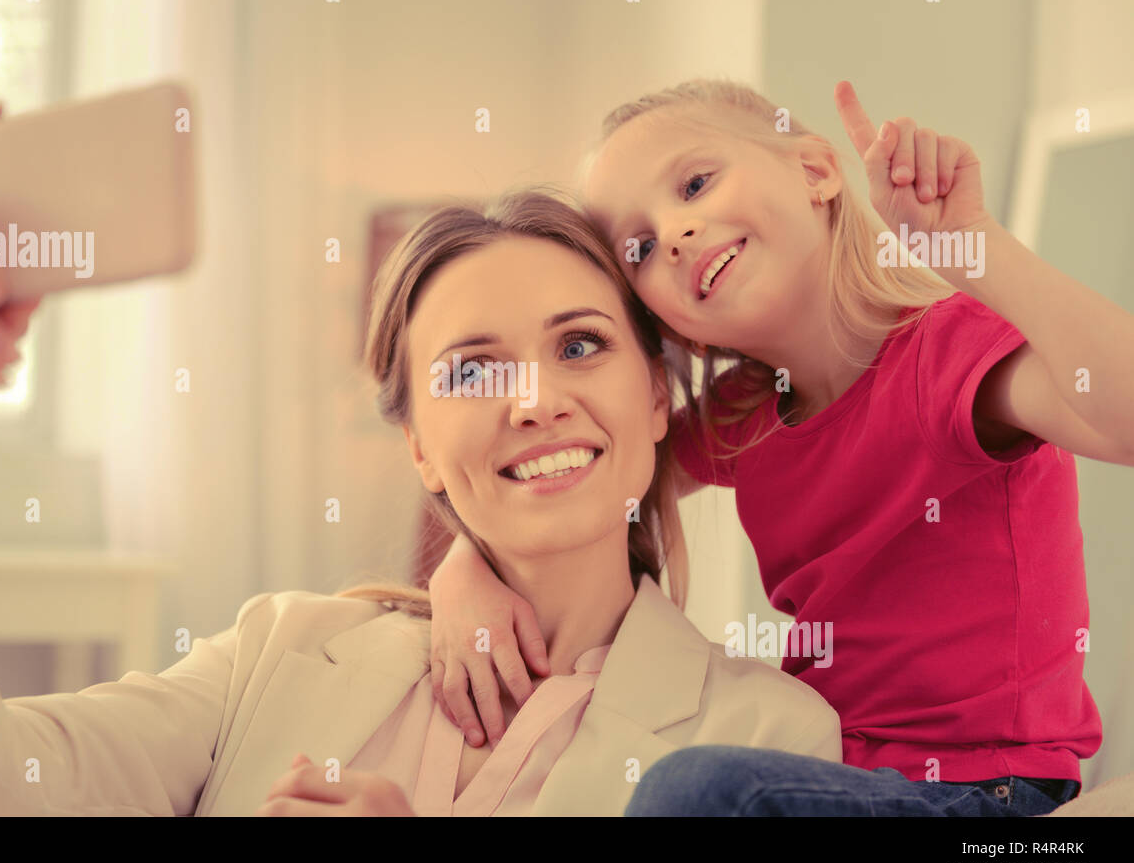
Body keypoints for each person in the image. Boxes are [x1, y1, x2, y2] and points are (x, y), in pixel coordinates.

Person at [0, 94, 839, 815]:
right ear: (419, 452)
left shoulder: (768, 742)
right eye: (472, 369)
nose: (535, 401)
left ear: (658, 394)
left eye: (579, 345)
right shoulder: (276, 655)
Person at [426, 78, 1130, 816]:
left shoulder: (947, 355)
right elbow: (585, 475)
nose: (673, 234)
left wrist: (970, 243)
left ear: (815, 171)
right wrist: (461, 565)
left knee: (696, 788)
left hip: (984, 791)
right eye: (638, 247)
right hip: (825, 763)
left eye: (696, 183)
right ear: (666, 322)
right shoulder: (742, 417)